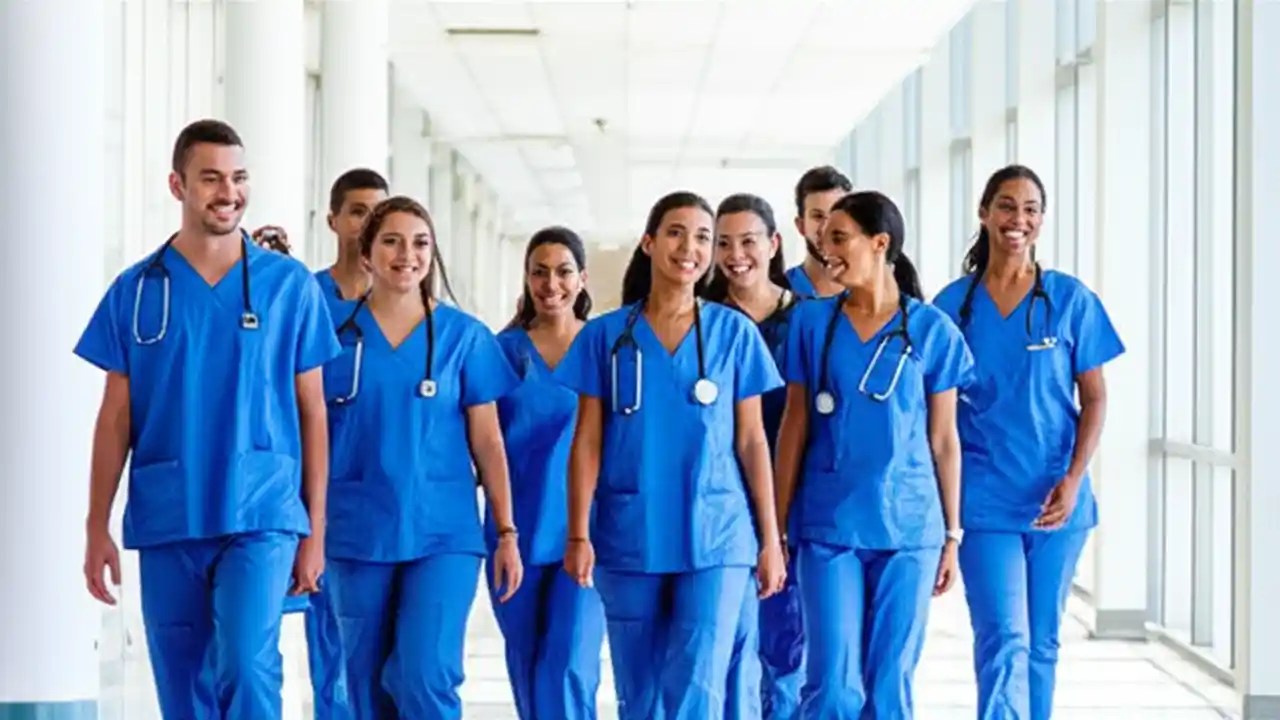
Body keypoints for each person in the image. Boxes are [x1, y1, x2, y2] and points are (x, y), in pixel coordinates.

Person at [76, 119, 339, 719]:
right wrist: (97, 524)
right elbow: (115, 417)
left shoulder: (288, 287)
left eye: (240, 178)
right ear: (178, 185)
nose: (229, 193)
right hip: (171, 512)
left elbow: (313, 411)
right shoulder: (137, 291)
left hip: (261, 512)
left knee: (248, 668)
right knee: (182, 689)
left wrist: (315, 529)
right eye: (212, 178)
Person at [555, 191, 787, 720]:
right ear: (649, 241)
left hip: (718, 536)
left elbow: (752, 442)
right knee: (639, 694)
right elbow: (587, 440)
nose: (691, 248)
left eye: (703, 237)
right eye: (677, 233)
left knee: (697, 686)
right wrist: (577, 532)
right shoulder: (606, 337)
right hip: (629, 533)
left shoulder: (734, 334)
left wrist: (770, 539)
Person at [932, 165, 1124, 720]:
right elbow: (934, 413)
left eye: (1031, 209)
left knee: (1041, 643)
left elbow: (1095, 398)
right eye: (1007, 206)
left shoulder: (1067, 299)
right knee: (1002, 638)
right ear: (985, 213)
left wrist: (1074, 478)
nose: (1019, 219)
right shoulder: (954, 306)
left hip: (1056, 499)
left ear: (1041, 219)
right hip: (983, 500)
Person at [321, 195, 524, 719]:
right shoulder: (331, 338)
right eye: (391, 241)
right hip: (357, 531)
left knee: (424, 675)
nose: (406, 255)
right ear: (366, 254)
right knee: (365, 685)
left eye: (419, 243)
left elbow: (489, 442)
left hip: (443, 533)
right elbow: (309, 437)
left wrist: (505, 531)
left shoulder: (463, 337)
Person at [774, 190, 969, 719]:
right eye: (822, 240)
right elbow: (794, 424)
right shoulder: (813, 324)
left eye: (839, 238)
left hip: (910, 530)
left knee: (889, 690)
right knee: (832, 687)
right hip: (827, 525)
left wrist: (952, 534)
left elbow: (944, 440)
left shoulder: (931, 330)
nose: (825, 250)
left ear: (879, 243)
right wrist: (777, 523)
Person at [490, 226, 607, 719]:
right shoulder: (503, 352)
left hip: (586, 533)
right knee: (528, 667)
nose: (550, 284)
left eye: (562, 272)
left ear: (582, 278)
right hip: (515, 533)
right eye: (539, 272)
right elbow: (481, 441)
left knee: (568, 666)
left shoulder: (605, 347)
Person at [707, 193, 804, 720]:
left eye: (748, 241)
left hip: (789, 499)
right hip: (720, 499)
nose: (735, 254)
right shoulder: (702, 323)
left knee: (787, 644)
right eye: (723, 242)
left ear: (774, 244)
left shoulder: (808, 322)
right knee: (727, 645)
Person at [251, 220, 353, 719]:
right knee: (326, 648)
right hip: (295, 495)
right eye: (357, 212)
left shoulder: (424, 318)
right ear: (334, 220)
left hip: (368, 497)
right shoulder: (301, 289)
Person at [315, 168, 390, 301]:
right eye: (358, 212)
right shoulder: (310, 290)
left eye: (379, 212)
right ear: (332, 221)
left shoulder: (399, 296)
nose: (370, 222)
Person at [784, 166, 852, 298]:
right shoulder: (778, 292)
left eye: (836, 214)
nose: (826, 227)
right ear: (801, 225)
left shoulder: (871, 294)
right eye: (818, 217)